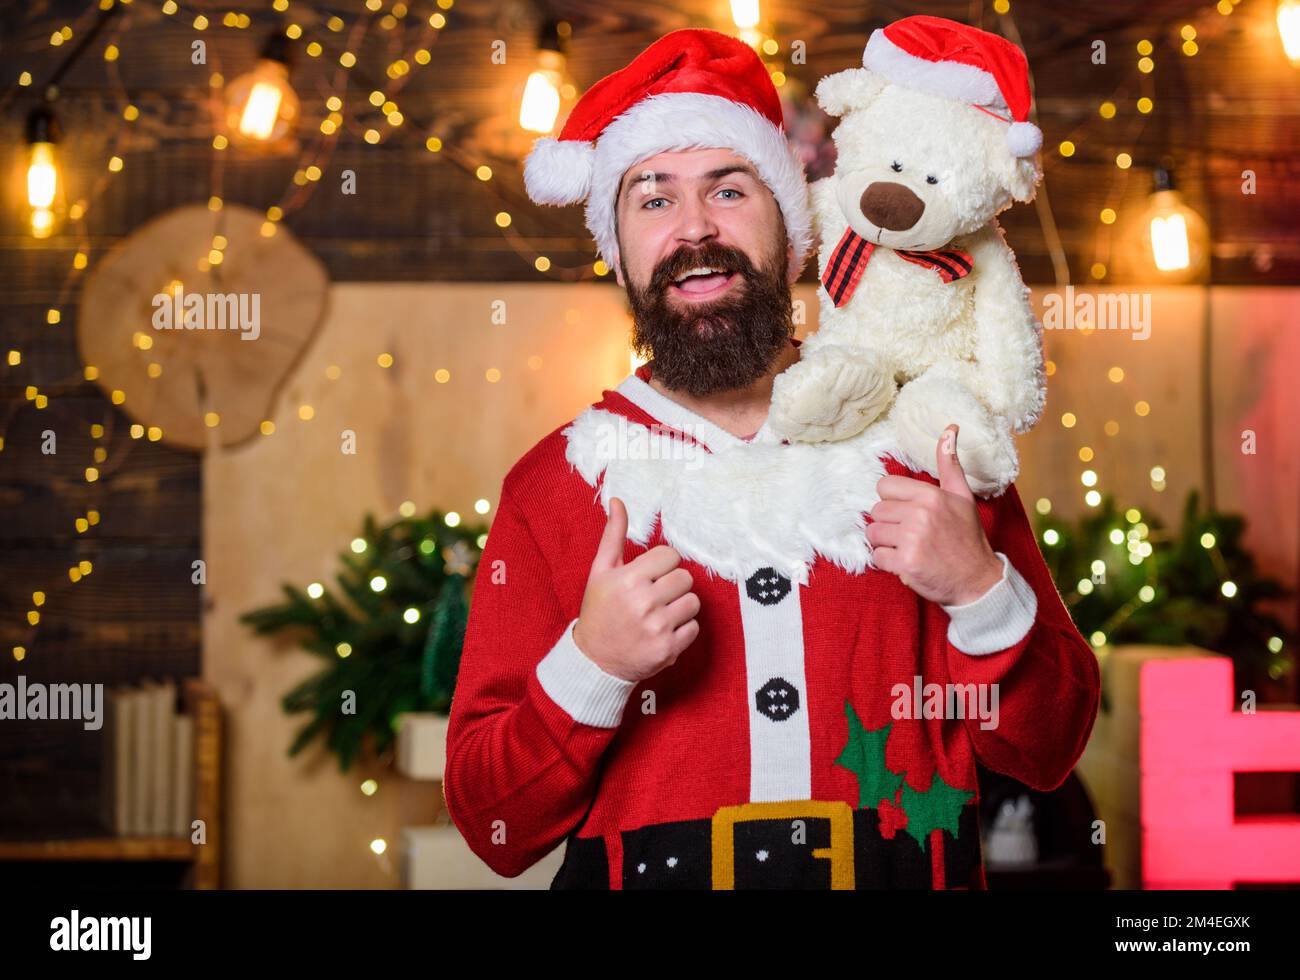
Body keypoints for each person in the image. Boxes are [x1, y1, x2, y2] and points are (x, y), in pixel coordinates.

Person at [442, 27, 1099, 889]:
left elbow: (1048, 748)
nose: (694, 230)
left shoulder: (930, 444)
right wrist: (592, 665)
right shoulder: (556, 486)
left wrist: (979, 590)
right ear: (618, 247)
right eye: (652, 199)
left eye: (728, 188)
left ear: (792, 221)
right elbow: (497, 827)